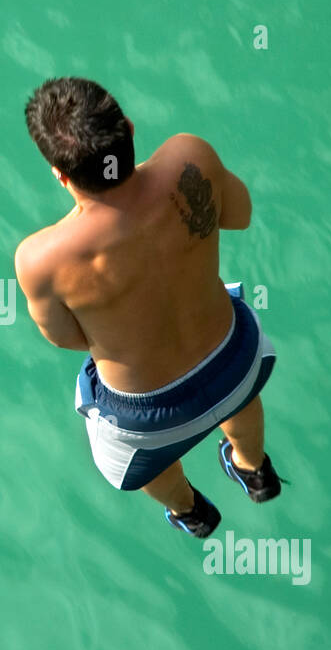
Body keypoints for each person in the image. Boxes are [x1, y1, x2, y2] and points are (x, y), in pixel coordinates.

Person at [15, 77, 285, 538]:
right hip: (237, 360)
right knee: (239, 399)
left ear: (60, 175)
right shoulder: (190, 158)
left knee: (147, 464)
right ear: (131, 129)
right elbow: (239, 216)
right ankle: (253, 469)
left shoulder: (42, 260)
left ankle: (190, 512)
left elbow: (66, 338)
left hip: (147, 424)